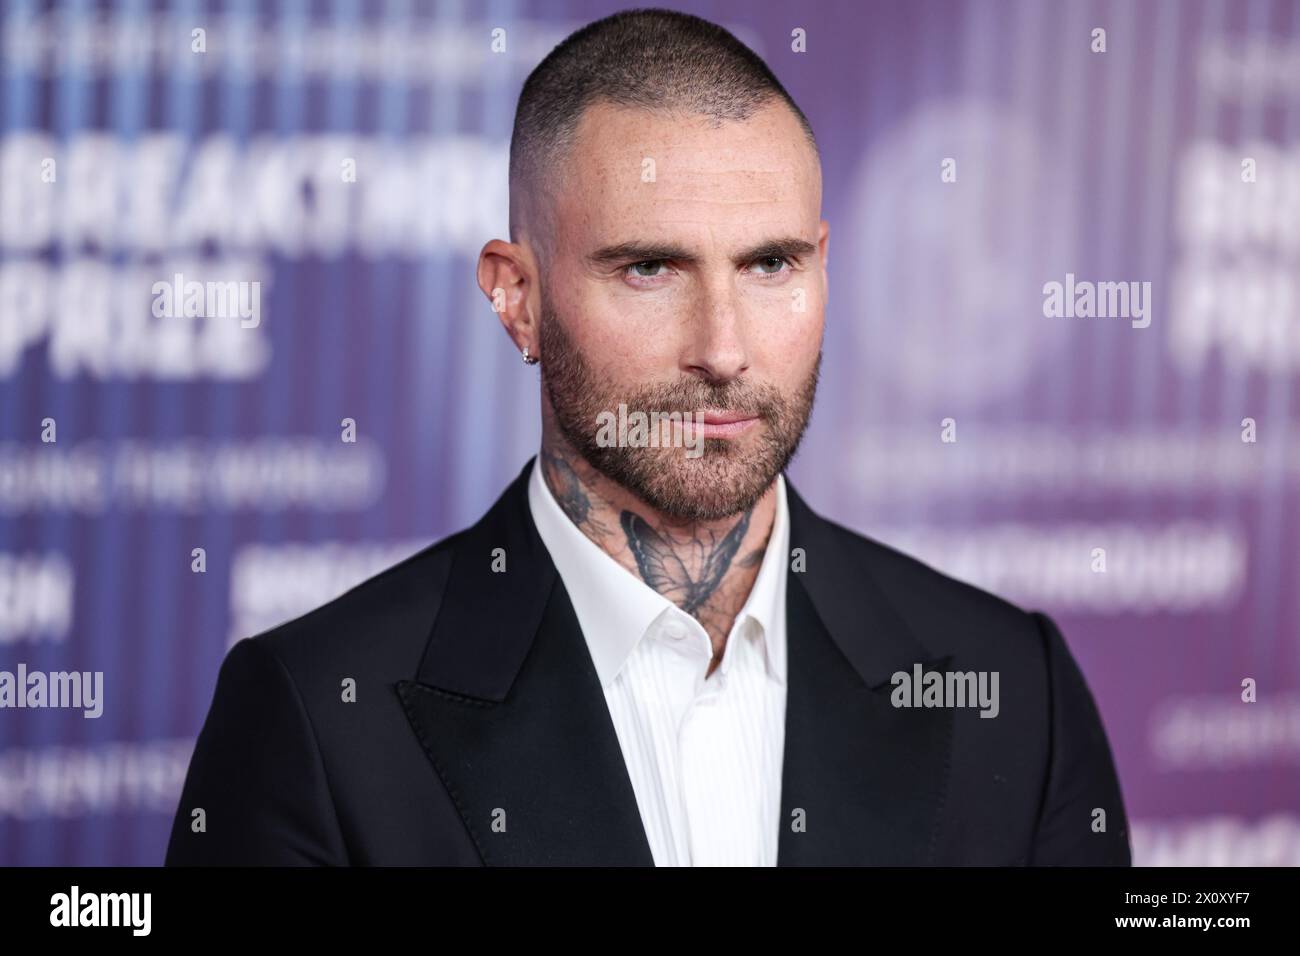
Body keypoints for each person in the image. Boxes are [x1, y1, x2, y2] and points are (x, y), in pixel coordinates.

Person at [165, 8, 1130, 866]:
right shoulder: (319, 717)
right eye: (650, 270)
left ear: (822, 266)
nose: (724, 349)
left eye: (770, 264)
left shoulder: (1014, 691)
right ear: (517, 296)